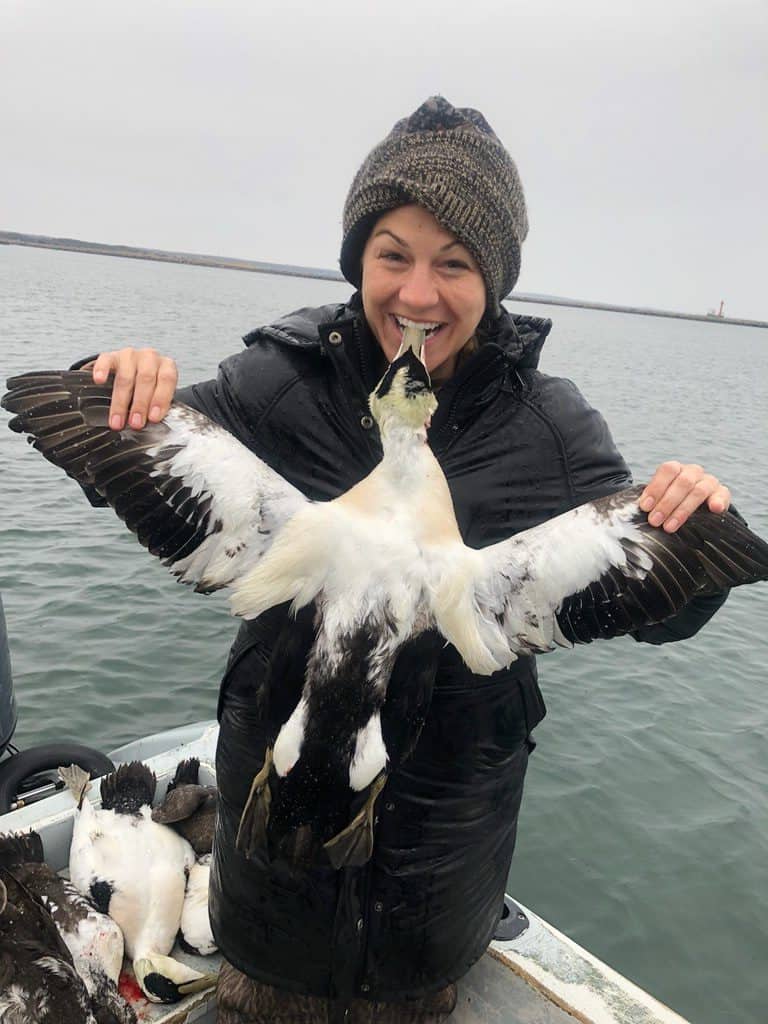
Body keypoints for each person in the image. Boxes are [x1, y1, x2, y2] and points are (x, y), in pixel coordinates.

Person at [82, 97, 732, 1023]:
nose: (418, 295)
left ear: (493, 279)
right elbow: (125, 463)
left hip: (435, 903)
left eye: (454, 263)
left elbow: (664, 604)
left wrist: (695, 524)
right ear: (359, 261)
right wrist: (116, 383)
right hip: (268, 893)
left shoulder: (550, 429)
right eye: (393, 255)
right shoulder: (282, 382)